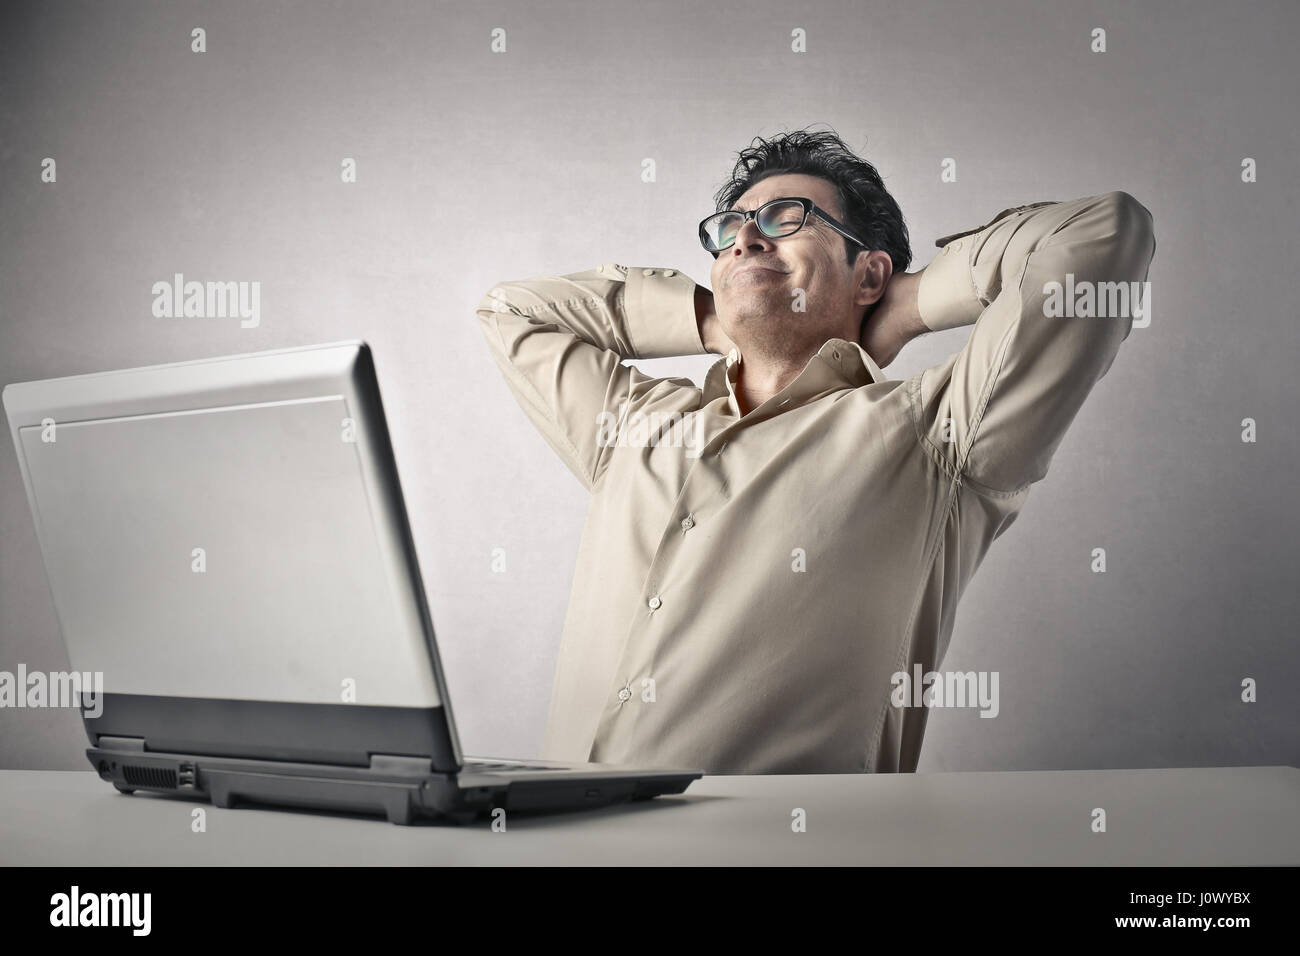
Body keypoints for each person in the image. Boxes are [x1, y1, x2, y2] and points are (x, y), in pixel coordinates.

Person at [477, 127, 1156, 773]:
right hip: (560, 843)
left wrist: (903, 307)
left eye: (784, 217)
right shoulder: (636, 423)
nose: (743, 238)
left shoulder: (938, 434)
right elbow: (512, 311)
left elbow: (1102, 235)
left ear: (868, 274)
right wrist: (716, 316)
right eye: (729, 231)